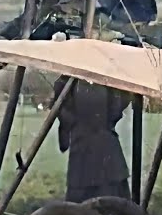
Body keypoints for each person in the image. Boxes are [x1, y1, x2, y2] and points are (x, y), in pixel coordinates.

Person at [54, 74, 133, 203]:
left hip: (84, 154)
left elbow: (65, 116)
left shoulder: (67, 81)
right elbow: (116, 108)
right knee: (112, 205)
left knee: (81, 208)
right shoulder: (108, 78)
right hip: (104, 154)